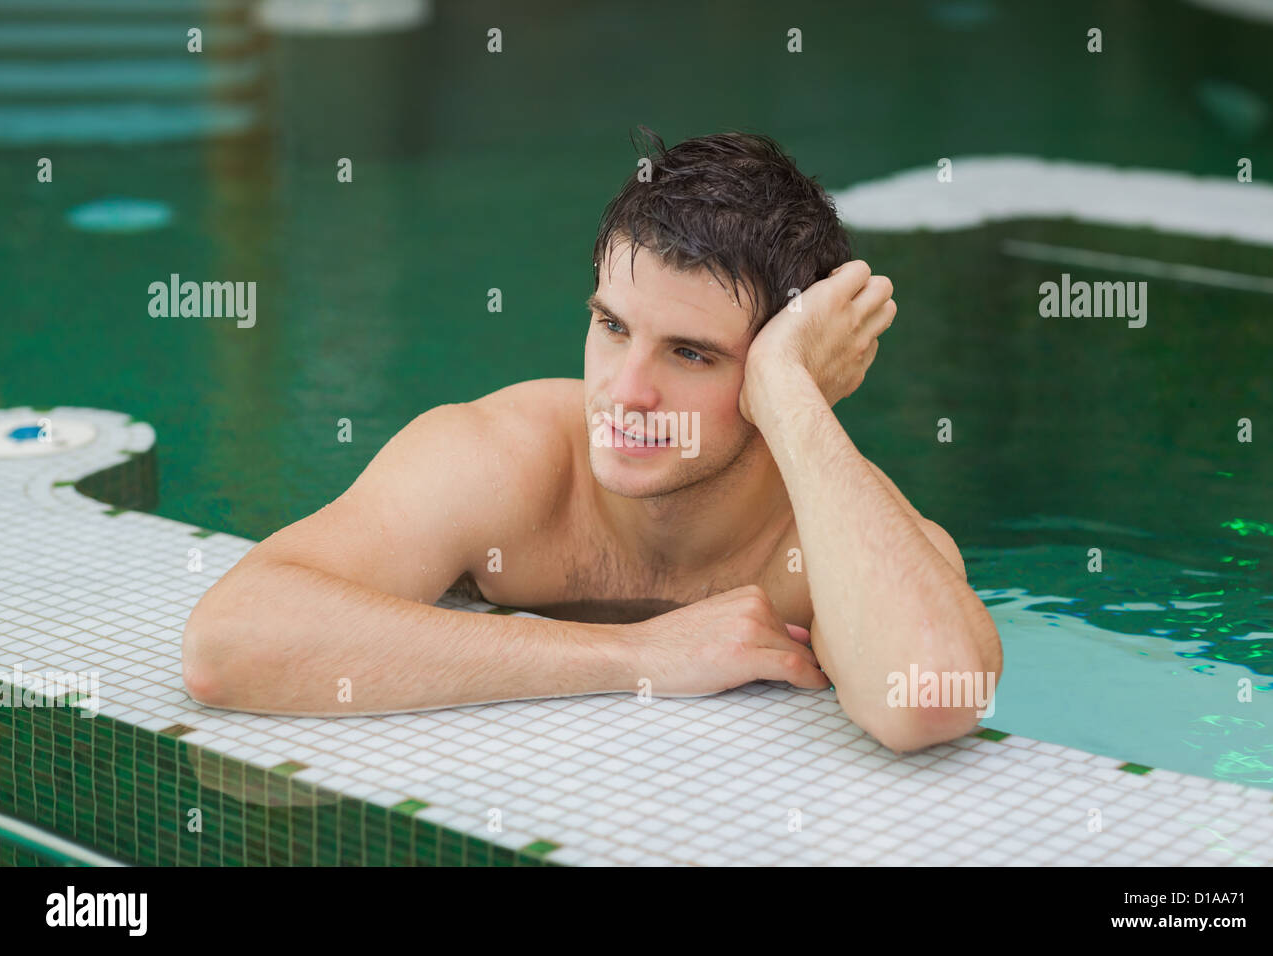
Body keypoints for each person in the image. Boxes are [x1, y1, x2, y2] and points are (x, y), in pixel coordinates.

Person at [181, 128, 1002, 753]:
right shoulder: (506, 460)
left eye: (691, 354)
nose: (625, 393)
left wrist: (792, 392)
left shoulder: (834, 529)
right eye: (612, 326)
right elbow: (230, 643)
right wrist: (631, 656)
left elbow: (928, 694)